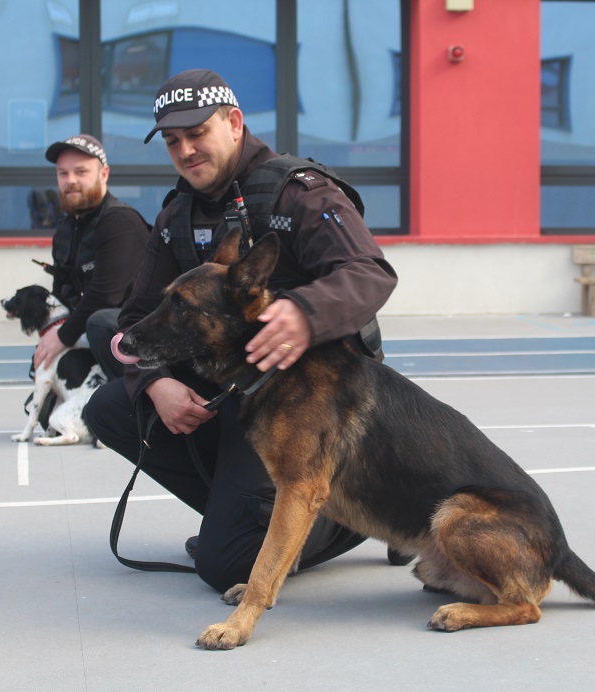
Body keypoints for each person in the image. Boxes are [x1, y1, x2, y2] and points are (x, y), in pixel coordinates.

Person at [84, 70, 399, 593]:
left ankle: (352, 515)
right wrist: (156, 383)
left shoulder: (298, 193)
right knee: (110, 408)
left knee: (228, 567)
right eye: (172, 141)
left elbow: (370, 272)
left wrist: (304, 313)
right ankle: (241, 519)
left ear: (233, 123)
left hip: (306, 399)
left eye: (196, 134)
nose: (185, 151)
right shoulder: (177, 213)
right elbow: (133, 317)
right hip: (232, 388)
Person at [38, 134, 150, 380]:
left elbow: (105, 295)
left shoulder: (120, 221)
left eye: (81, 172)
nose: (71, 181)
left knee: (98, 322)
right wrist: (49, 337)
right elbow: (61, 291)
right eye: (63, 173)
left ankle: (133, 394)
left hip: (132, 334)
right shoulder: (65, 228)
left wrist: (62, 337)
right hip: (88, 331)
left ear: (104, 174)